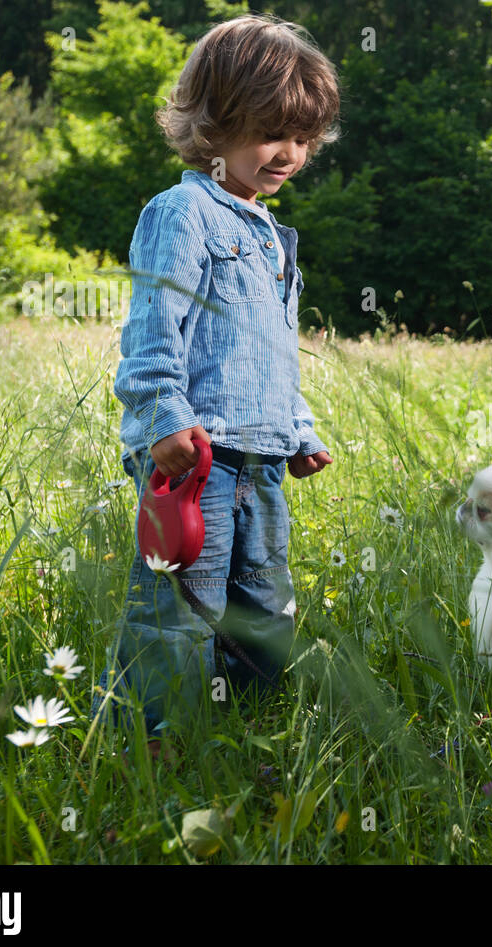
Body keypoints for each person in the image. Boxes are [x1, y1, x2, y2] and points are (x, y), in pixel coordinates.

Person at [94, 14, 340, 737]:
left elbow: (274, 351)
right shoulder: (182, 214)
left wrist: (298, 430)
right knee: (179, 609)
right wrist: (163, 414)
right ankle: (154, 745)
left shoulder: (273, 239)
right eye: (271, 132)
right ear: (214, 122)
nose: (288, 153)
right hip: (194, 463)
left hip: (262, 461)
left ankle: (251, 739)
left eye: (302, 138)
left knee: (264, 609)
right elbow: (151, 329)